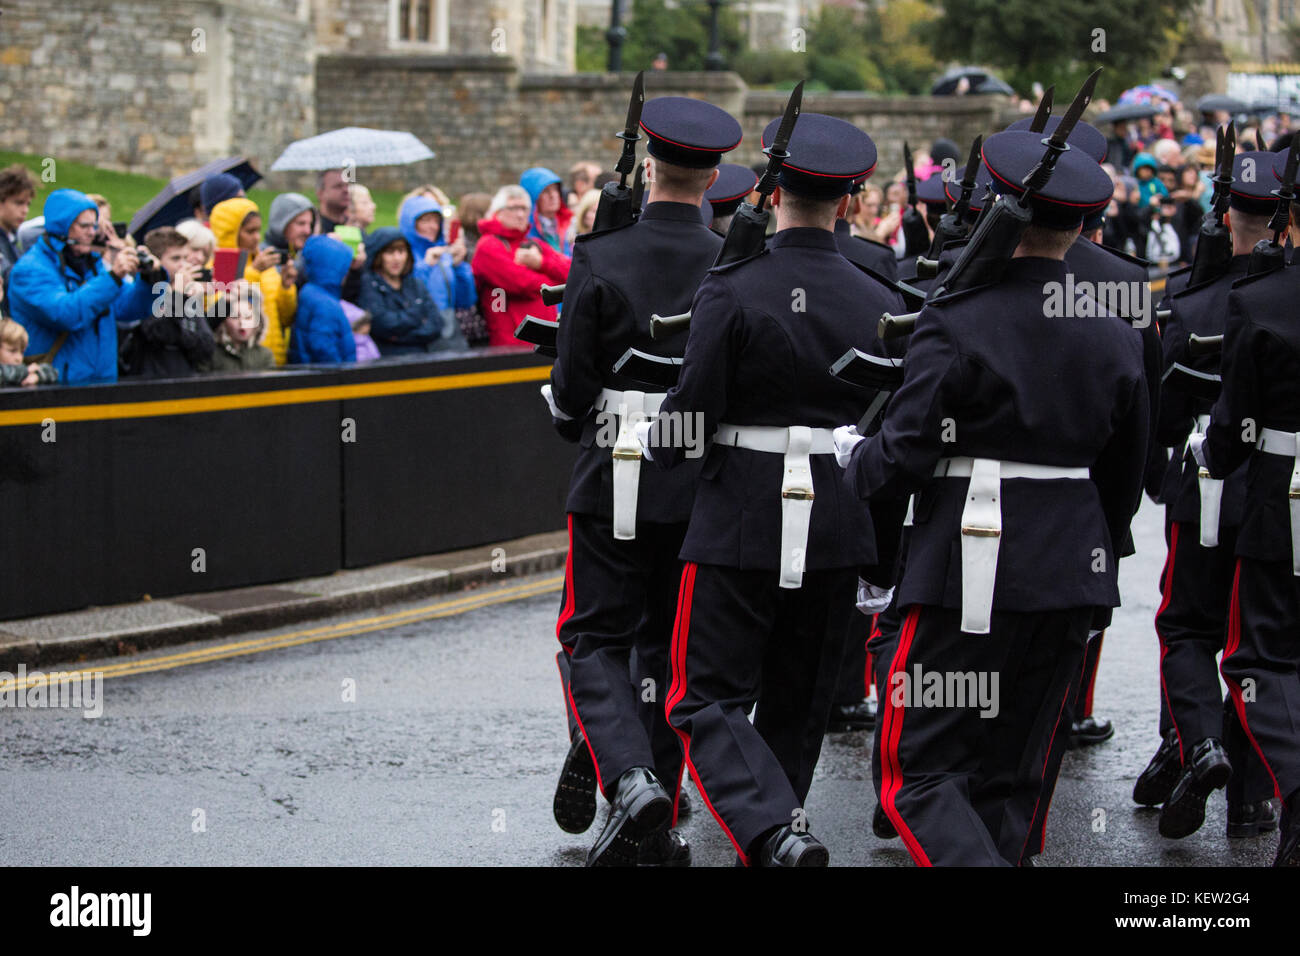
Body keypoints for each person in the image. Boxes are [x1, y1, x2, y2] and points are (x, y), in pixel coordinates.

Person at [841, 128, 1147, 866]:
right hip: (1070, 571)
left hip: (967, 572)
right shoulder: (1115, 325)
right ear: (1078, 225)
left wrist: (859, 461)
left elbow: (904, 454)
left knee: (921, 771)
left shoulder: (959, 316)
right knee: (1015, 773)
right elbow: (1125, 474)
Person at [644, 112, 904, 867]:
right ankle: (781, 834)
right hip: (837, 513)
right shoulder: (875, 291)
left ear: (769, 189)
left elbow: (692, 416)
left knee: (703, 698)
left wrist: (660, 449)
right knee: (799, 703)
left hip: (740, 518)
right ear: (850, 201)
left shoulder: (732, 286)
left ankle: (771, 831)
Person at [546, 94, 743, 867]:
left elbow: (570, 390)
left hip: (609, 463)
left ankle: (623, 771)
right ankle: (650, 803)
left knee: (592, 635)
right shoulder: (735, 260)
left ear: (651, 165)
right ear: (716, 173)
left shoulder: (599, 254)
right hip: (695, 475)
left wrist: (572, 416)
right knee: (668, 648)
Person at [1151, 153, 1289, 842]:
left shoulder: (1189, 297)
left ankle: (1199, 744)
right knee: (1258, 644)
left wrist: (1160, 474)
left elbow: (1167, 409)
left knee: (1188, 629)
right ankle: (1254, 799)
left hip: (1208, 480)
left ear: (1227, 216)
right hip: (1275, 496)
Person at [7, 188, 151, 384]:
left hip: (103, 382)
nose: (92, 233)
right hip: (55, 385)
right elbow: (66, 314)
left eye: (94, 226)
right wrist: (113, 276)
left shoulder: (92, 264)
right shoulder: (30, 270)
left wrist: (151, 279)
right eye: (84, 226)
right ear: (62, 227)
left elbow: (128, 308)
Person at [470, 185, 569, 346]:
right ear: (498, 212)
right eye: (514, 208)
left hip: (546, 340)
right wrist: (558, 286)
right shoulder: (488, 246)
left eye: (524, 208)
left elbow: (571, 272)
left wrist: (541, 263)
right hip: (512, 343)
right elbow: (521, 283)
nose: (521, 214)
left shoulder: (533, 243)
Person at [119, 226, 214, 378]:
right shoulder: (146, 292)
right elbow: (158, 333)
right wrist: (176, 296)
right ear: (157, 262)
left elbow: (206, 346)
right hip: (147, 383)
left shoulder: (186, 294)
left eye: (185, 258)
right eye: (176, 259)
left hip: (183, 380)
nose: (183, 265)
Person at [209, 197, 294, 366]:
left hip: (270, 358)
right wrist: (254, 272)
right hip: (236, 362)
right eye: (249, 231)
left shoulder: (266, 265)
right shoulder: (220, 266)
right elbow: (219, 310)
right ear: (232, 232)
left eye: (258, 231)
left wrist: (286, 287)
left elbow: (285, 317)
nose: (256, 238)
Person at [356, 226, 450, 356]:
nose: (397, 258)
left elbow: (436, 323)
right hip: (387, 361)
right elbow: (383, 323)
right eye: (390, 252)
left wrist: (398, 336)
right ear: (378, 255)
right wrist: (418, 316)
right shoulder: (369, 284)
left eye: (401, 251)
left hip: (420, 358)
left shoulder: (415, 284)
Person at [398, 195, 472, 351]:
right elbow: (406, 295)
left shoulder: (443, 254)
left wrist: (460, 267)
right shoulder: (401, 254)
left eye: (436, 221)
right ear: (410, 223)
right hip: (419, 333)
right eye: (425, 220)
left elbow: (465, 300)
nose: (433, 226)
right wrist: (425, 266)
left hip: (449, 330)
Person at [261, 192, 318, 364]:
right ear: (281, 224)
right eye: (300, 223)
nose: (307, 231)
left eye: (310, 224)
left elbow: (287, 316)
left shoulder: (301, 257)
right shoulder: (264, 259)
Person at [288, 234, 358, 364]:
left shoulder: (310, 291)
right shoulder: (325, 305)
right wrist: (341, 373)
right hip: (332, 379)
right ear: (333, 269)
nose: (346, 273)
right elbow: (322, 346)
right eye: (343, 269)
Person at [208, 281, 274, 372]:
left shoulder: (265, 355)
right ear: (223, 322)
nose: (242, 322)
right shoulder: (211, 354)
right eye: (235, 316)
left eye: (247, 317)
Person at [0, 165, 37, 305]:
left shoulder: (13, 239)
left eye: (28, 204)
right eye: (19, 203)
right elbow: (13, 280)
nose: (25, 210)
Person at [520, 167, 575, 257]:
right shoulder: (525, 230)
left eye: (555, 189)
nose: (553, 195)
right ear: (533, 197)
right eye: (546, 191)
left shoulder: (570, 224)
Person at [0, 316, 57, 386]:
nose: (18, 358)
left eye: (22, 352)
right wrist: (26, 371)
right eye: (12, 351)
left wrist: (37, 376)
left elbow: (52, 372)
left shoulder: (20, 374)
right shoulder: (23, 372)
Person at [316, 169, 351, 233]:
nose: (346, 190)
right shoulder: (312, 229)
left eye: (347, 185)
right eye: (338, 186)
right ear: (321, 194)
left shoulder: (354, 226)